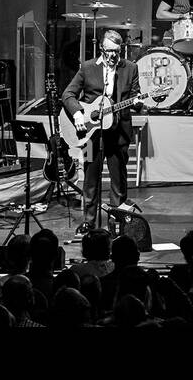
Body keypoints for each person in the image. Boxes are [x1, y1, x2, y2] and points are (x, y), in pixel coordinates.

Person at [62, 29, 144, 233]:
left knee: (118, 181)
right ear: (101, 49)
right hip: (90, 135)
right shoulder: (88, 67)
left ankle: (116, 222)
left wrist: (138, 103)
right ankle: (89, 221)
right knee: (90, 178)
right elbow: (68, 95)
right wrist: (79, 113)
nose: (113, 55)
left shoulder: (130, 68)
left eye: (117, 51)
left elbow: (136, 97)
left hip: (119, 133)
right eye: (109, 51)